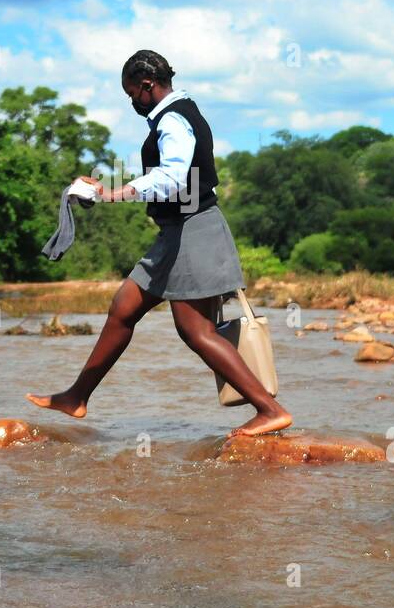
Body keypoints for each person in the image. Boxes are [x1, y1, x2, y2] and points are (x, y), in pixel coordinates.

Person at [27, 49, 293, 437]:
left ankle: (270, 410)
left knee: (196, 331)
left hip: (194, 231)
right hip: (175, 235)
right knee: (124, 308)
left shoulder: (172, 121)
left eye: (131, 93)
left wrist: (114, 193)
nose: (131, 101)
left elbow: (171, 178)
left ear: (147, 86)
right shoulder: (178, 113)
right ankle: (77, 396)